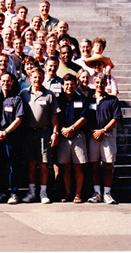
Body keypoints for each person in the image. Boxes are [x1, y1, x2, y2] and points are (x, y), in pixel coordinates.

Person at [19, 67, 60, 204]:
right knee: (31, 164)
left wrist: (55, 133)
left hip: (44, 132)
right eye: (34, 77)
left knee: (43, 163)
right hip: (29, 133)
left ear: (43, 78)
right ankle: (32, 192)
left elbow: (54, 115)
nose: (37, 80)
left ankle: (43, 192)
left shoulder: (49, 94)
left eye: (40, 77)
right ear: (30, 78)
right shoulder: (24, 93)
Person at [86, 74, 122, 204]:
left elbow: (116, 118)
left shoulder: (112, 100)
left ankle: (107, 193)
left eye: (102, 83)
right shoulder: (89, 99)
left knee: (107, 165)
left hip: (107, 136)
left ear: (106, 84)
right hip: (93, 136)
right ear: (93, 84)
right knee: (94, 165)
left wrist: (103, 130)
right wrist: (92, 130)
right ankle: (97, 193)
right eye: (97, 82)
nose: (99, 85)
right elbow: (85, 117)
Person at [0, 73, 24, 204]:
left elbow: (19, 119)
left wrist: (5, 131)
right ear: (0, 82)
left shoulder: (17, 99)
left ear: (12, 82)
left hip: (11, 137)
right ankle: (3, 192)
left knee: (12, 166)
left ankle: (14, 193)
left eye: (8, 81)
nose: (5, 83)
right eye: (3, 81)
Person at [56, 73, 88, 203]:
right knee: (66, 166)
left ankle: (78, 194)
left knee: (78, 165)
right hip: (63, 135)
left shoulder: (82, 99)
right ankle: (68, 193)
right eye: (67, 84)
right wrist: (63, 128)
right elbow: (55, 116)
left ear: (76, 85)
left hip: (78, 135)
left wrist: (72, 129)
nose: (69, 86)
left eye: (72, 84)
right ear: (63, 86)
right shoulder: (59, 99)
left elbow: (84, 117)